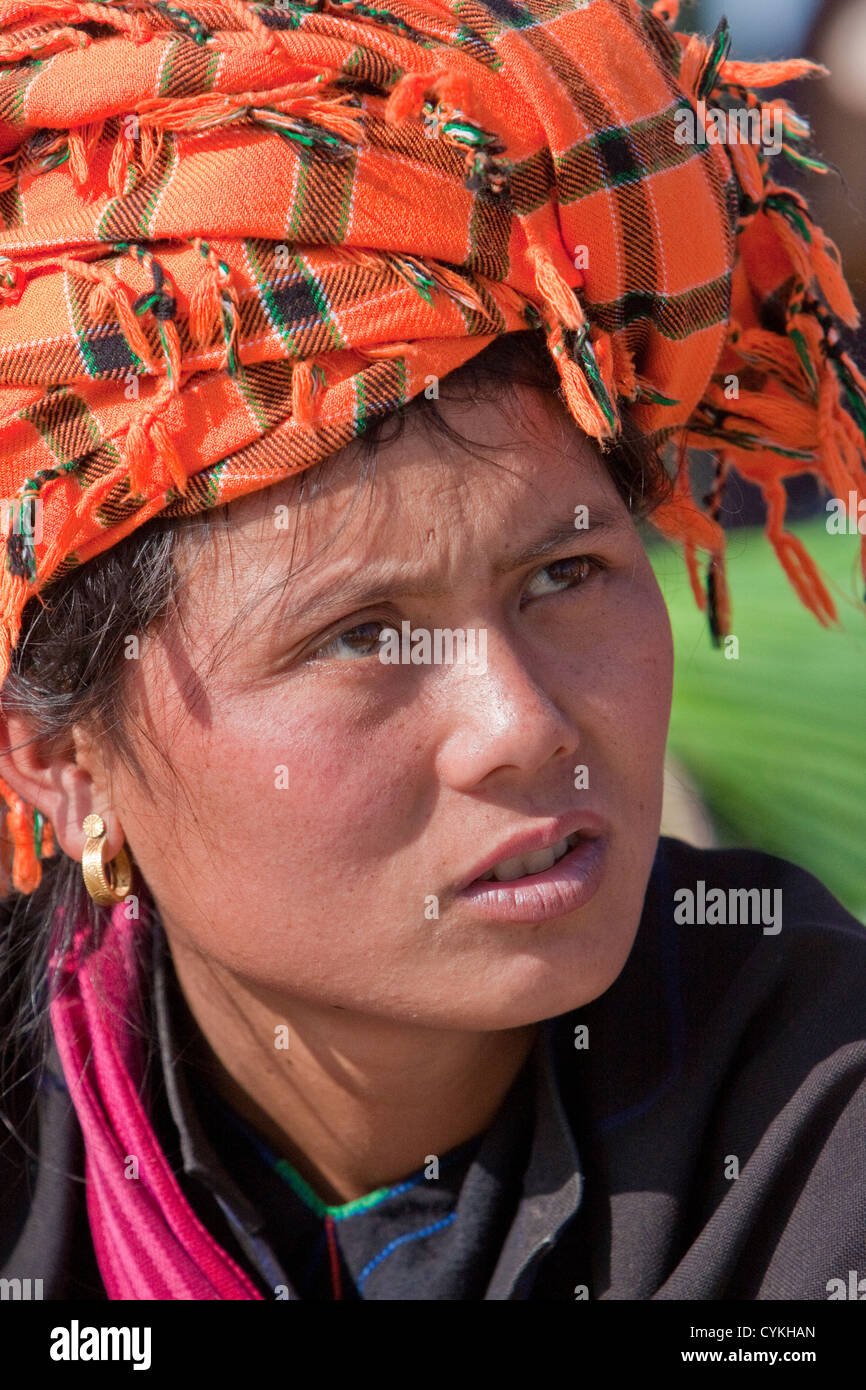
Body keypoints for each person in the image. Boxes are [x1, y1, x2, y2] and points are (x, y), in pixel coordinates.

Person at [0, 0, 864, 1301]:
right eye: (360, 636)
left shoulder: (813, 1122)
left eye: (563, 573)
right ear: (62, 761)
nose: (522, 722)